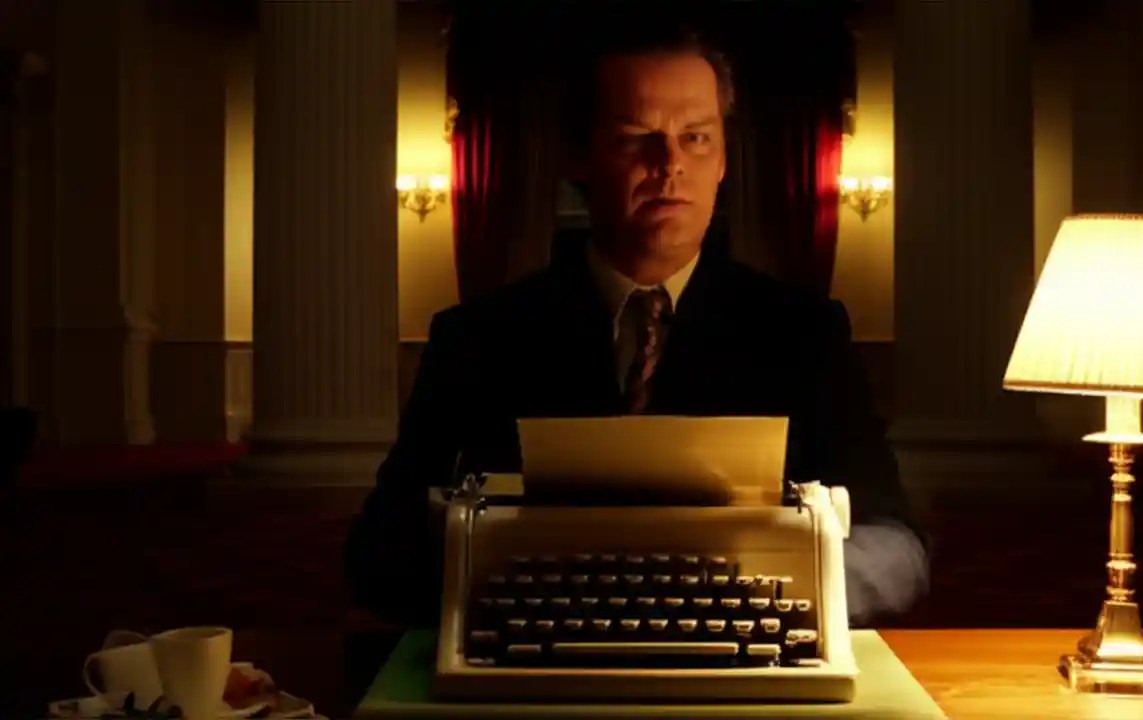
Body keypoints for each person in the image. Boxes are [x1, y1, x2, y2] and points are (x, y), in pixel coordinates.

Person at [344, 20, 928, 628]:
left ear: (724, 156)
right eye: (635, 138)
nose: (669, 164)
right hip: (540, 654)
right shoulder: (477, 338)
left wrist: (777, 587)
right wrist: (508, 568)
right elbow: (377, 553)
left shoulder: (807, 335)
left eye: (696, 137)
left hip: (742, 649)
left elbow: (898, 546)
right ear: (578, 156)